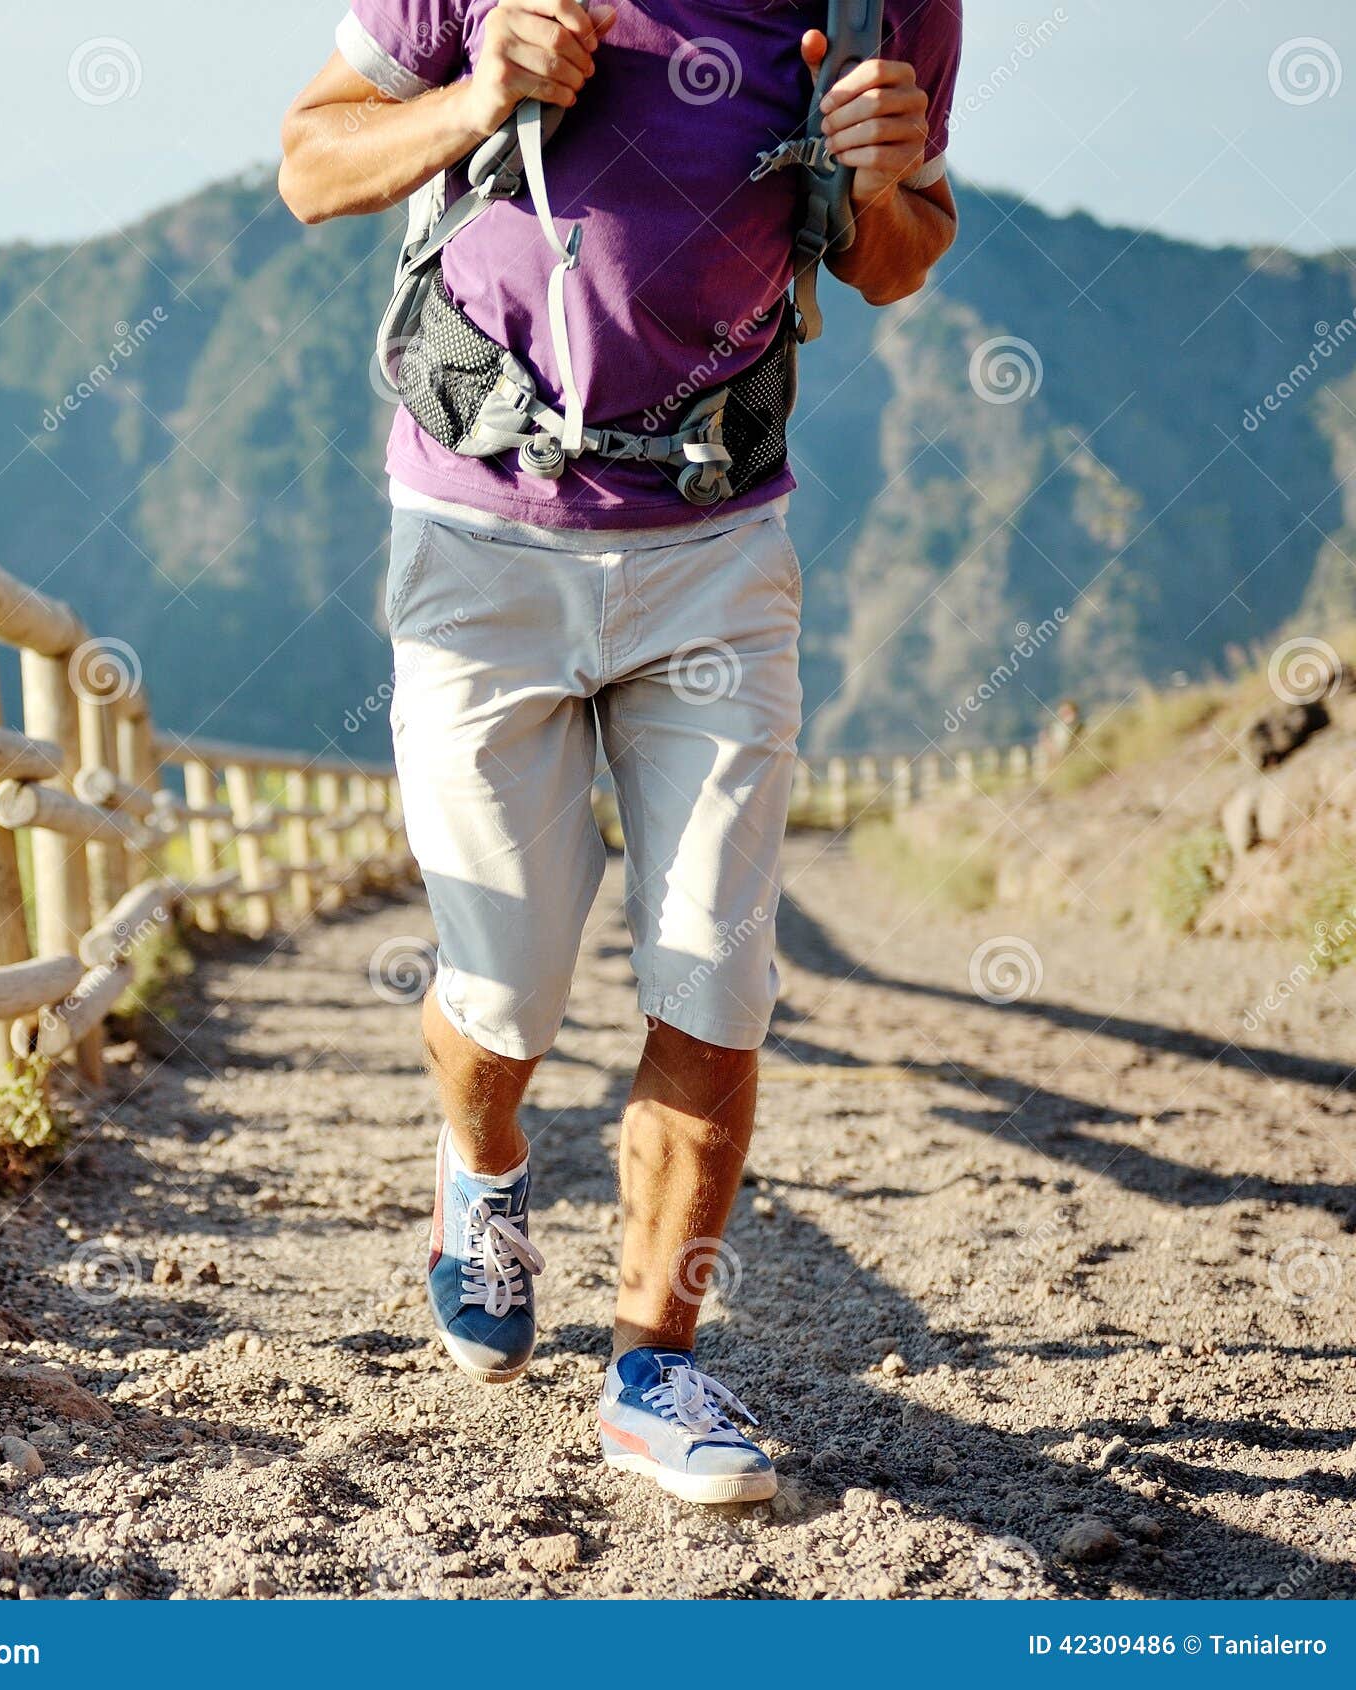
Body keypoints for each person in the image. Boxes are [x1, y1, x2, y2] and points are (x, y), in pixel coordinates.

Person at [280, 0, 961, 1505]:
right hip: (478, 537)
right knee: (505, 993)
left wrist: (889, 182)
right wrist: (469, 101)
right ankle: (486, 1163)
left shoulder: (884, 3)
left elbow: (901, 255)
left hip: (718, 541)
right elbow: (310, 164)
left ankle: (654, 1364)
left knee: (715, 969)